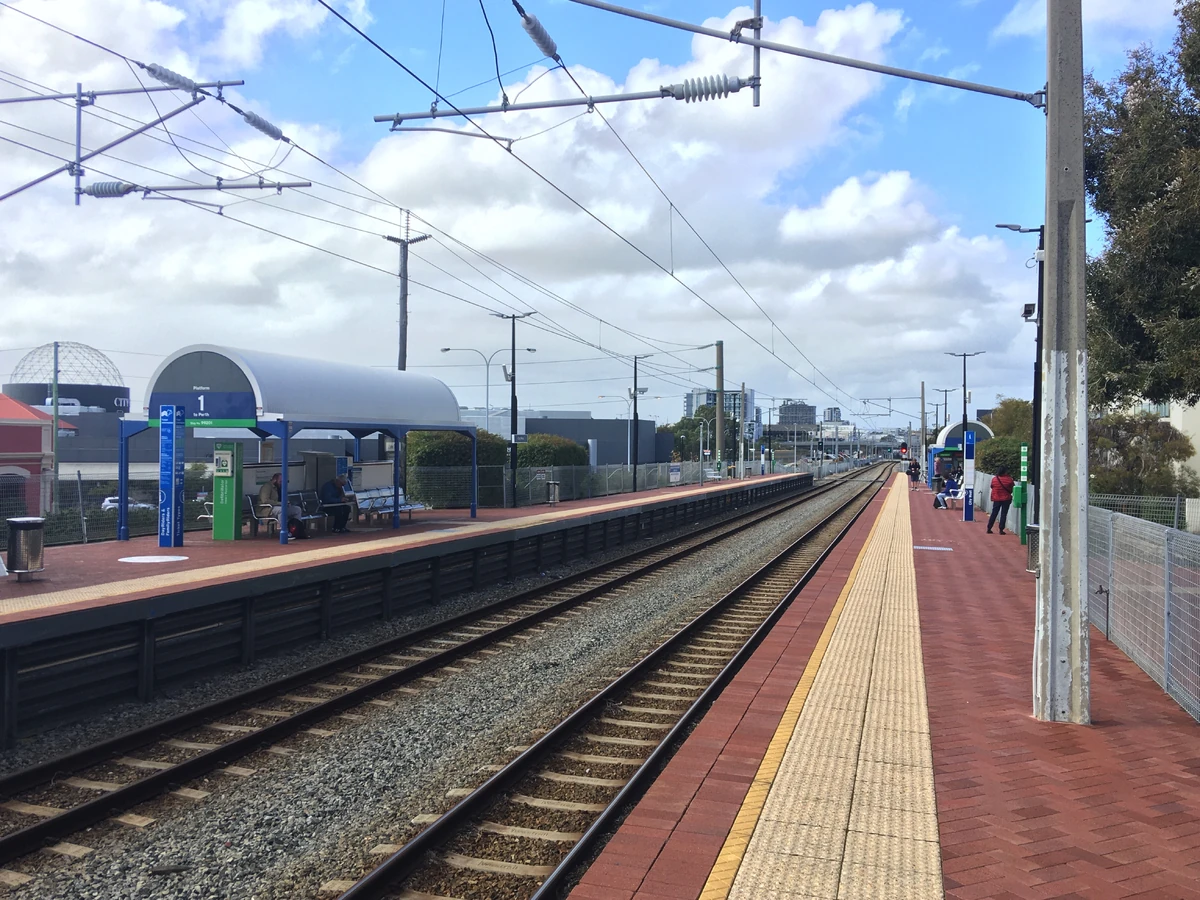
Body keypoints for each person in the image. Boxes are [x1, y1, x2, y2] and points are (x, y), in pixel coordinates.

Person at [988, 466, 1017, 534]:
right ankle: (1001, 529)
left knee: (994, 513)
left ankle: (989, 528)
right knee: (1004, 514)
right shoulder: (1009, 479)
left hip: (996, 498)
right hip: (1006, 498)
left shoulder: (994, 479)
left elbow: (992, 486)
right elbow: (1013, 488)